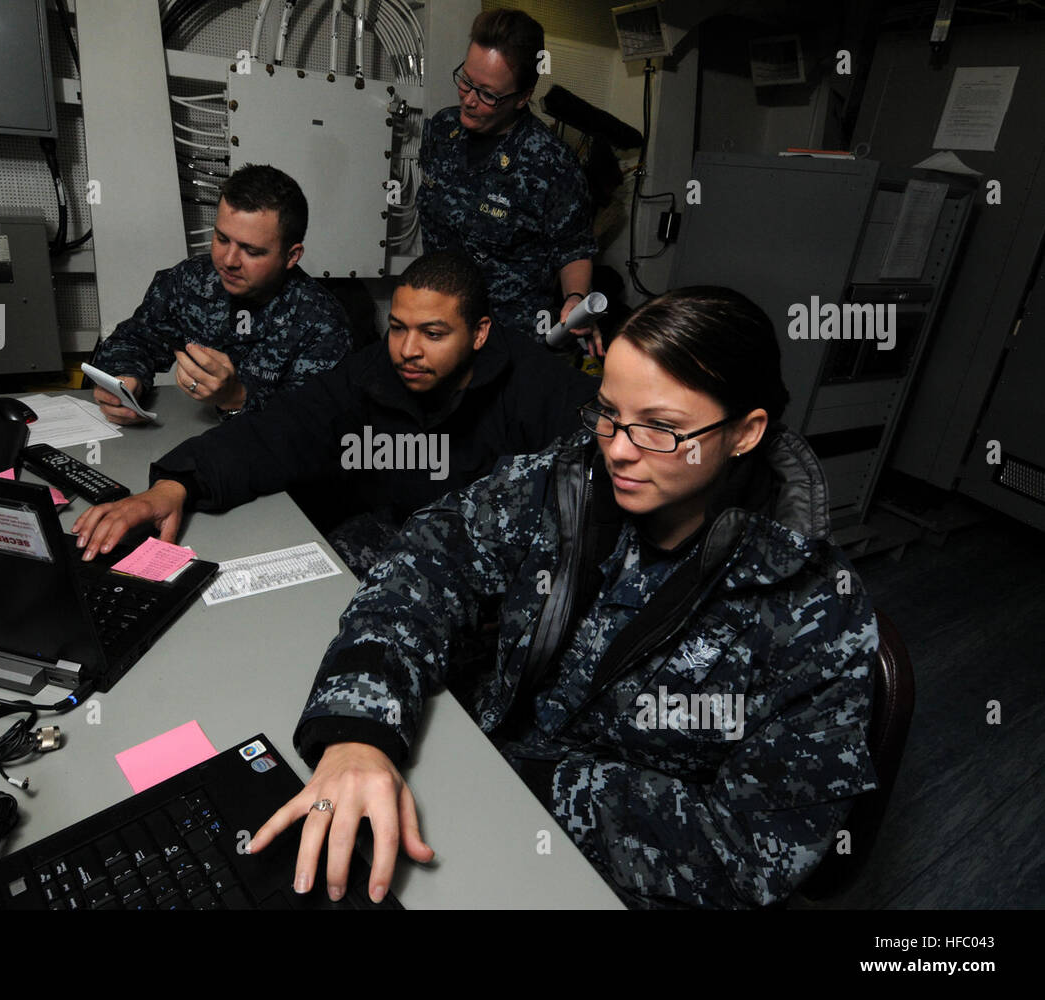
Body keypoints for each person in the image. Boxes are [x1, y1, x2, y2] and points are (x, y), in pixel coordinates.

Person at [249, 286, 880, 909]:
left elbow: (749, 851)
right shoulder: (564, 478)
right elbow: (427, 562)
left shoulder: (817, 611)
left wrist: (530, 781)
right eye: (608, 412)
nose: (619, 450)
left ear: (745, 433)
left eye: (661, 428)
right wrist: (360, 730)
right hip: (475, 802)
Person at [71, 251, 597, 575]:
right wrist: (174, 486)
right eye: (398, 327)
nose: (408, 350)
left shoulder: (537, 385)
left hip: (502, 562)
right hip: (399, 536)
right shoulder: (375, 371)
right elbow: (285, 428)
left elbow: (605, 476)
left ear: (479, 333)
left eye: (433, 334)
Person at [89, 164, 351, 423]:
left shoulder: (322, 324)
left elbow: (313, 425)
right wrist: (125, 381)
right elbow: (133, 340)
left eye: (251, 251)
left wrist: (236, 398)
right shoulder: (190, 280)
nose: (229, 260)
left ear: (291, 256)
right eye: (222, 239)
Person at [417, 9, 598, 347]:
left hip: (506, 337)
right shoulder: (443, 130)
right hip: (436, 318)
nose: (469, 100)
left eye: (487, 93)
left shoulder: (551, 164)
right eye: (466, 81)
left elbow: (573, 248)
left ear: (522, 96)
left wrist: (575, 297)